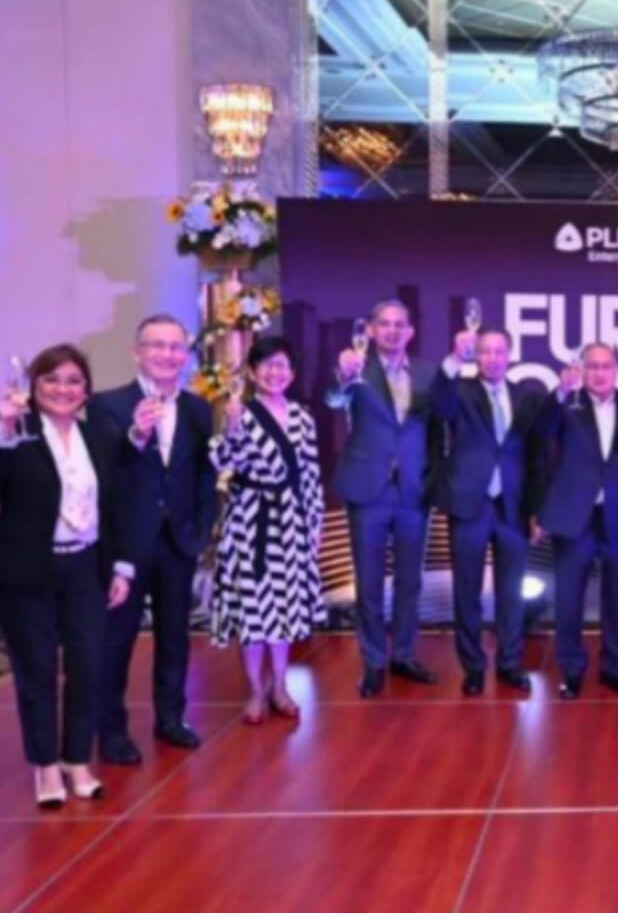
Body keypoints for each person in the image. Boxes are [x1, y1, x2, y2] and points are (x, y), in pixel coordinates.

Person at [0, 344, 133, 810]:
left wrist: (121, 565)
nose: (64, 389)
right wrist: (3, 427)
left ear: (87, 390)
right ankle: (44, 764)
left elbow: (114, 503)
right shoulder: (14, 428)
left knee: (87, 665)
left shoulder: (99, 432)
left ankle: (76, 758)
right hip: (26, 570)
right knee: (37, 669)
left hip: (85, 566)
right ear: (33, 387)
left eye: (74, 381)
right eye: (52, 380)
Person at [90, 314, 215, 764]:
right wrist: (137, 435)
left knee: (174, 635)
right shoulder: (108, 405)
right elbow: (103, 469)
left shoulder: (199, 409)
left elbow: (203, 473)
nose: (167, 355)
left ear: (186, 355)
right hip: (126, 544)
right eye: (156, 345)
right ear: (136, 351)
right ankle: (111, 731)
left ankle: (171, 718)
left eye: (176, 347)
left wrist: (202, 526)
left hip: (178, 540)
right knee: (117, 640)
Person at [211, 336, 326, 724]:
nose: (275, 372)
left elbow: (310, 475)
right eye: (267, 365)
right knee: (253, 610)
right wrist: (231, 427)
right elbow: (224, 462)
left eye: (283, 366)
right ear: (252, 371)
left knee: (284, 609)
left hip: (290, 521)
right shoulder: (239, 413)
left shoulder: (303, 418)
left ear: (292, 374)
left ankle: (280, 686)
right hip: (250, 520)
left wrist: (314, 525)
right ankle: (255, 692)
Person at [329, 299, 441, 696]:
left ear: (410, 331)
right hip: (368, 490)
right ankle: (374, 661)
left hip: (412, 491)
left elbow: (439, 427)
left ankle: (405, 655)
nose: (392, 331)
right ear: (371, 329)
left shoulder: (428, 372)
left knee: (411, 581)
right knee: (369, 582)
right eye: (384, 324)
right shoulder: (356, 367)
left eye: (399, 325)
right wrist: (343, 378)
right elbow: (333, 399)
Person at [432, 327, 545, 696]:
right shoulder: (460, 391)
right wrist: (453, 359)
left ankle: (510, 663)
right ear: (476, 356)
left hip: (513, 507)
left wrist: (536, 510)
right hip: (470, 504)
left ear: (510, 355)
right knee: (467, 591)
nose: (493, 358)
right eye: (485, 351)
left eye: (499, 351)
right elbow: (438, 406)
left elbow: (536, 456)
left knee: (511, 592)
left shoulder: (525, 396)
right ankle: (473, 667)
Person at [531, 343, 618, 699]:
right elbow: (541, 432)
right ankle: (572, 669)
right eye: (592, 366)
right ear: (581, 370)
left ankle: (614, 668)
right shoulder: (567, 402)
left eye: (606, 366)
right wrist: (560, 393)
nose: (599, 373)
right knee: (569, 599)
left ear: (617, 371)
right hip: (574, 517)